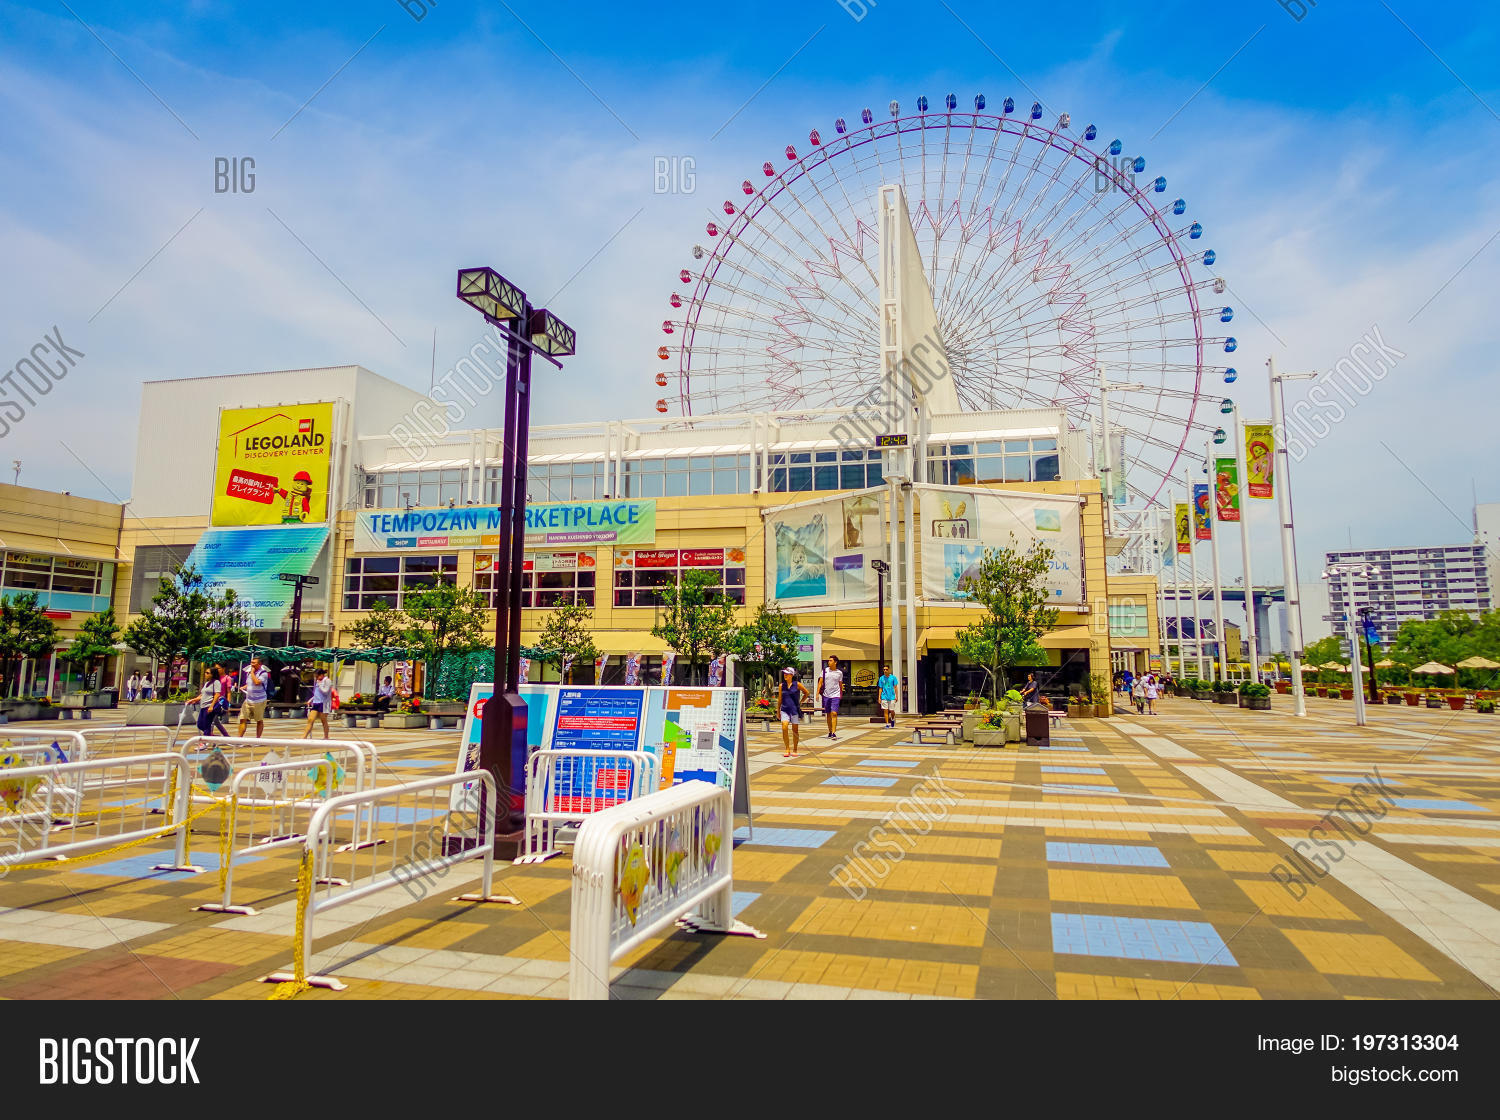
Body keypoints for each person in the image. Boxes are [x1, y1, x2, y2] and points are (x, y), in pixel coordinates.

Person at [778, 666, 811, 758]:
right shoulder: (782, 686)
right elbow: (780, 699)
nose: (785, 675)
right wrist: (778, 710)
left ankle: (795, 749)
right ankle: (787, 749)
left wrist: (801, 701)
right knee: (784, 727)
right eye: (784, 673)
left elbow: (806, 692)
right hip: (784, 709)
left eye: (787, 673)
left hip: (794, 710)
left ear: (792, 675)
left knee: (795, 730)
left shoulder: (797, 684)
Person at [237, 655, 271, 738]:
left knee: (259, 720)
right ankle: (239, 739)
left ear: (259, 664)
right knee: (243, 719)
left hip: (259, 700)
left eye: (254, 663)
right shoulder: (249, 673)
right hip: (248, 699)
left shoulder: (263, 673)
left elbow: (256, 682)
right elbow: (249, 683)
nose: (252, 664)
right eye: (251, 662)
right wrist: (244, 687)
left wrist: (252, 672)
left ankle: (258, 739)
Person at [816, 655, 844, 739]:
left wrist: (841, 694)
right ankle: (830, 731)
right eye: (828, 660)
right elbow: (820, 683)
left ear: (835, 662)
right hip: (826, 695)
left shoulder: (839, 673)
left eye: (831, 660)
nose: (829, 662)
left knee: (834, 713)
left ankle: (834, 732)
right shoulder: (824, 671)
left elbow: (840, 684)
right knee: (828, 714)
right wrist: (817, 693)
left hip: (835, 695)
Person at [302, 668, 333, 740]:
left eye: (317, 676)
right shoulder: (317, 681)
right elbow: (316, 693)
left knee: (323, 720)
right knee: (310, 719)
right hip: (316, 702)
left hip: (324, 703)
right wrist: (311, 699)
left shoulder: (327, 681)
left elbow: (325, 691)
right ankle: (304, 736)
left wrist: (320, 684)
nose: (316, 678)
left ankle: (326, 736)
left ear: (321, 675)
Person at [191, 668, 222, 738]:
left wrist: (211, 706)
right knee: (200, 724)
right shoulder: (207, 683)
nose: (205, 674)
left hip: (209, 706)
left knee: (206, 724)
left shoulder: (216, 682)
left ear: (212, 674)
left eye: (207, 673)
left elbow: (217, 694)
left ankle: (205, 741)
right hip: (203, 706)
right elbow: (202, 695)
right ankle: (209, 736)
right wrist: (194, 700)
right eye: (205, 672)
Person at [877, 664, 899, 729]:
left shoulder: (893, 678)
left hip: (892, 696)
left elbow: (895, 687)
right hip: (884, 696)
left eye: (886, 669)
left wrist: (896, 696)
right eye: (884, 670)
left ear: (889, 670)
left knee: (891, 710)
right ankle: (887, 724)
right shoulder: (881, 678)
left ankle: (892, 719)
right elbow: (880, 688)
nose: (885, 671)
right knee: (885, 710)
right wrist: (879, 697)